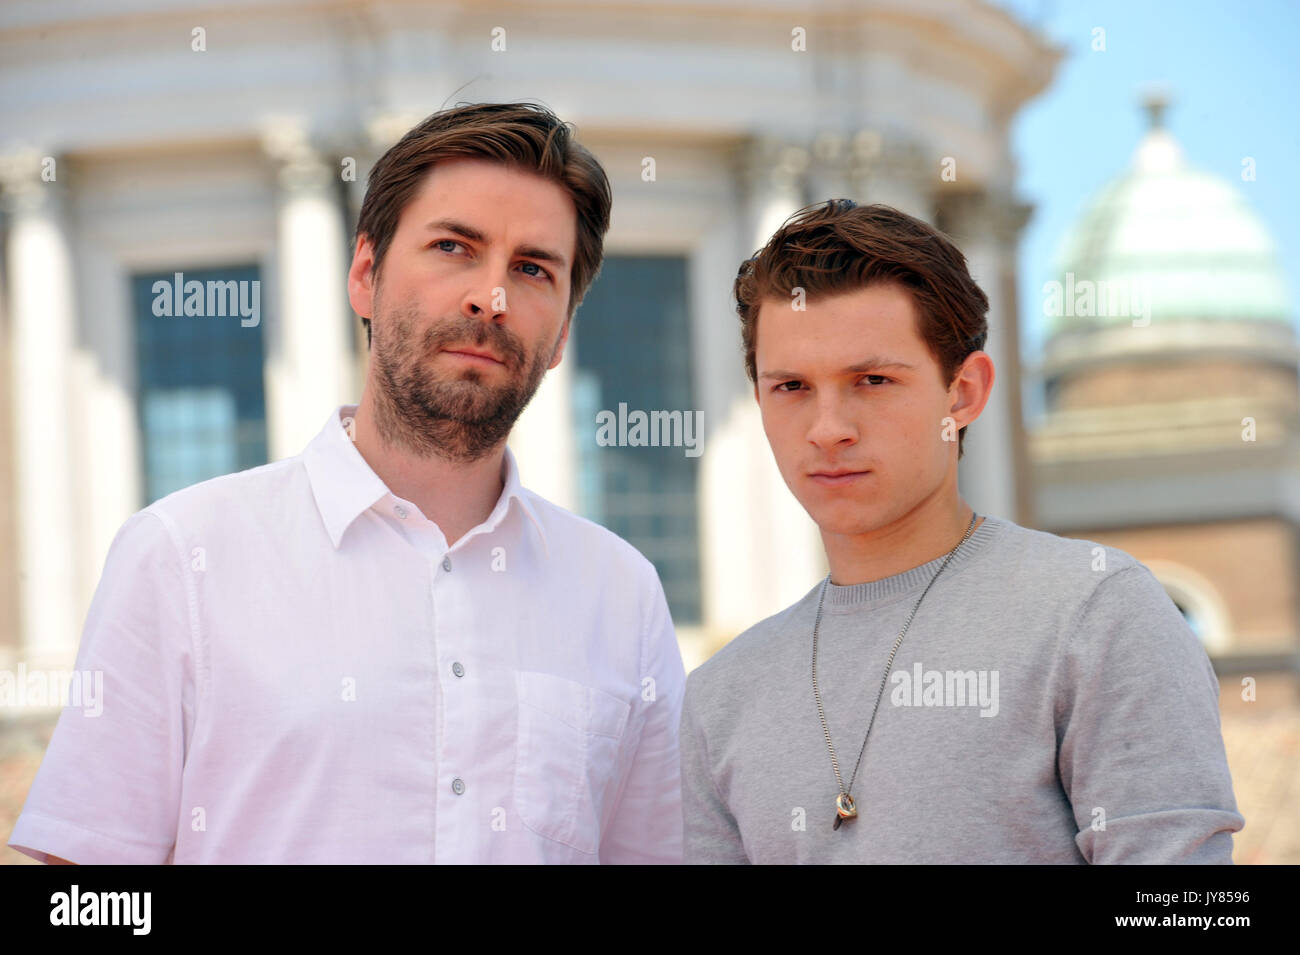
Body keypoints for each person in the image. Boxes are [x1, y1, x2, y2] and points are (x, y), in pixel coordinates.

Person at [9, 102, 685, 864]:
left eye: (531, 268)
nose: (489, 298)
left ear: (562, 332)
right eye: (453, 247)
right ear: (365, 275)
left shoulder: (622, 597)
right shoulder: (181, 558)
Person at [679, 199, 1244, 864]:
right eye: (792, 386)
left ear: (964, 392)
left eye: (873, 380)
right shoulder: (719, 698)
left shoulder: (1096, 614)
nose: (828, 427)